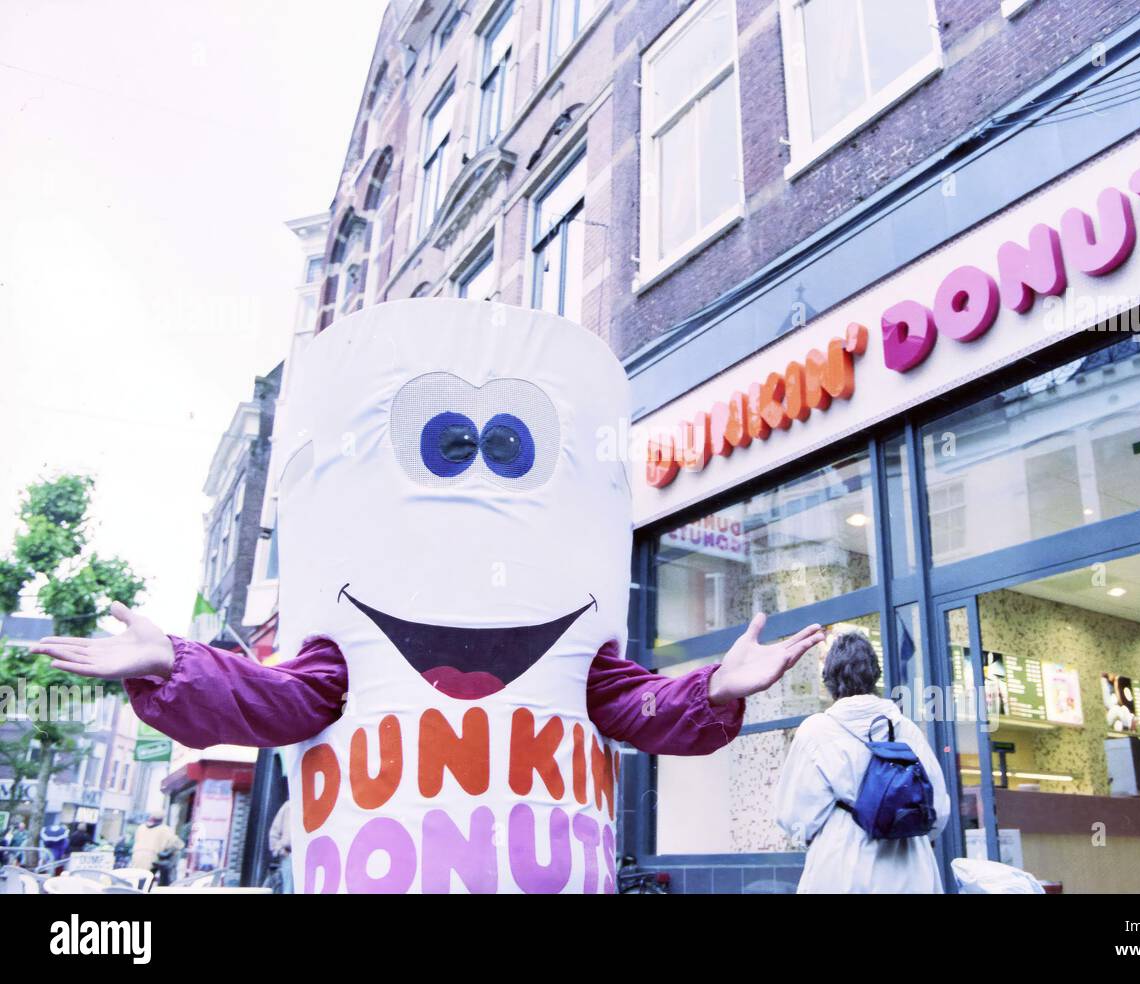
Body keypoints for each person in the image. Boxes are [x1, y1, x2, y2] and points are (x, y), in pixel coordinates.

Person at [31, 300, 825, 894]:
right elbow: (267, 701)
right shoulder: (332, 661)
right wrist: (172, 661)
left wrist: (716, 685)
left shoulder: (584, 663)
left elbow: (642, 708)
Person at [775, 631, 950, 893]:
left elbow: (794, 815)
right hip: (912, 868)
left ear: (829, 680)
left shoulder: (816, 731)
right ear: (875, 676)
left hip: (840, 867)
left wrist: (814, 839)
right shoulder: (906, 729)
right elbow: (938, 809)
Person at [267, 800, 293, 894]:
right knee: (289, 889)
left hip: (310, 857)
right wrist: (281, 851)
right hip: (290, 855)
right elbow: (274, 833)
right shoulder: (288, 806)